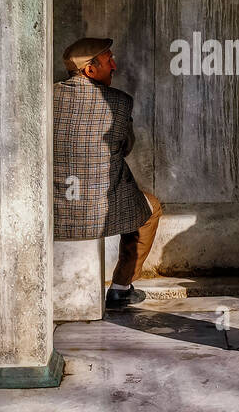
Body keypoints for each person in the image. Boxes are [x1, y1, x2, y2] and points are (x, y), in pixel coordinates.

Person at [53, 37, 162, 310]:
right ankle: (121, 288)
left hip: (52, 210)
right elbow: (125, 147)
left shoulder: (46, 97)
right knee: (151, 211)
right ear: (90, 70)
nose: (115, 65)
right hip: (97, 211)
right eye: (109, 60)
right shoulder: (120, 103)